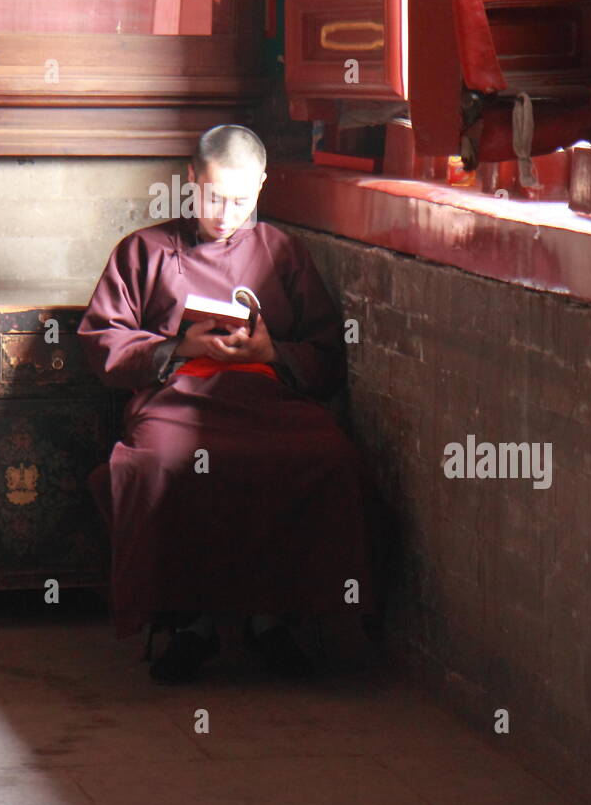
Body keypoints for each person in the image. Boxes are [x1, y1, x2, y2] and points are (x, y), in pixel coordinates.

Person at [78, 125, 373, 683]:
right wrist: (177, 346)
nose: (225, 214)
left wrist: (273, 351)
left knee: (330, 460)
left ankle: (274, 619)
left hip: (265, 395)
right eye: (213, 197)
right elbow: (103, 339)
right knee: (156, 466)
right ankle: (189, 624)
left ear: (262, 186)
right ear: (191, 180)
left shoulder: (281, 251)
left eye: (241, 200)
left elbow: (329, 348)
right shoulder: (145, 250)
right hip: (177, 397)